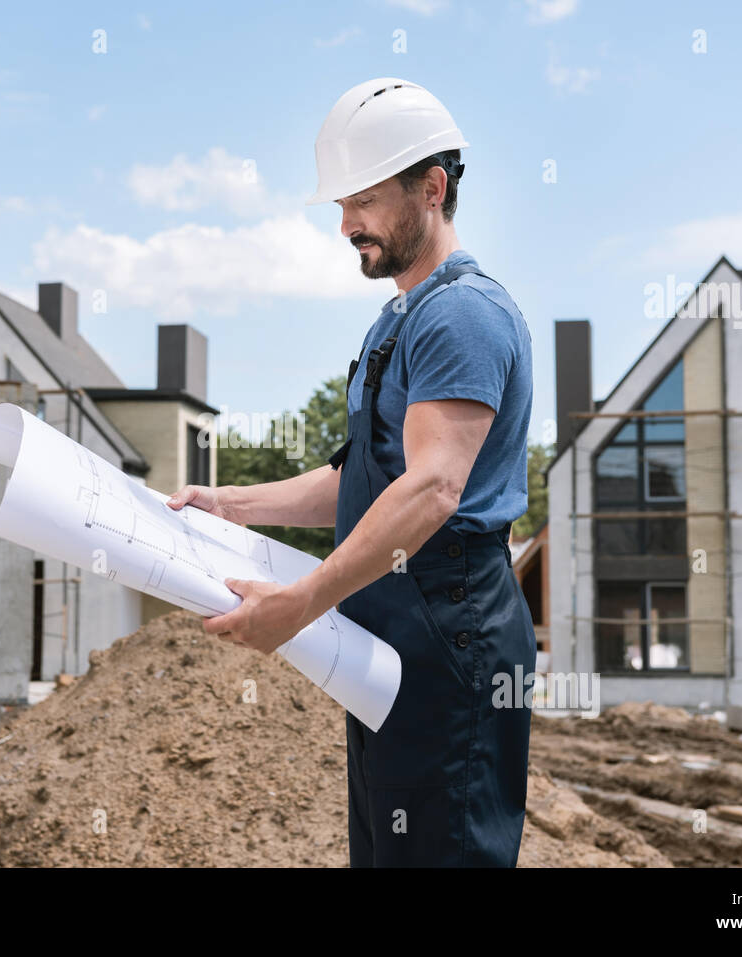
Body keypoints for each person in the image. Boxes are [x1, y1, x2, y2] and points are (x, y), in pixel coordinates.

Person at [166, 77, 536, 867]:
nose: (345, 225)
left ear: (431, 189)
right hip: (391, 626)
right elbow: (361, 477)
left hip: (451, 626)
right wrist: (226, 504)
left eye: (361, 201)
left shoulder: (464, 313)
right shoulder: (396, 322)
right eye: (340, 206)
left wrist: (301, 601)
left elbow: (432, 488)